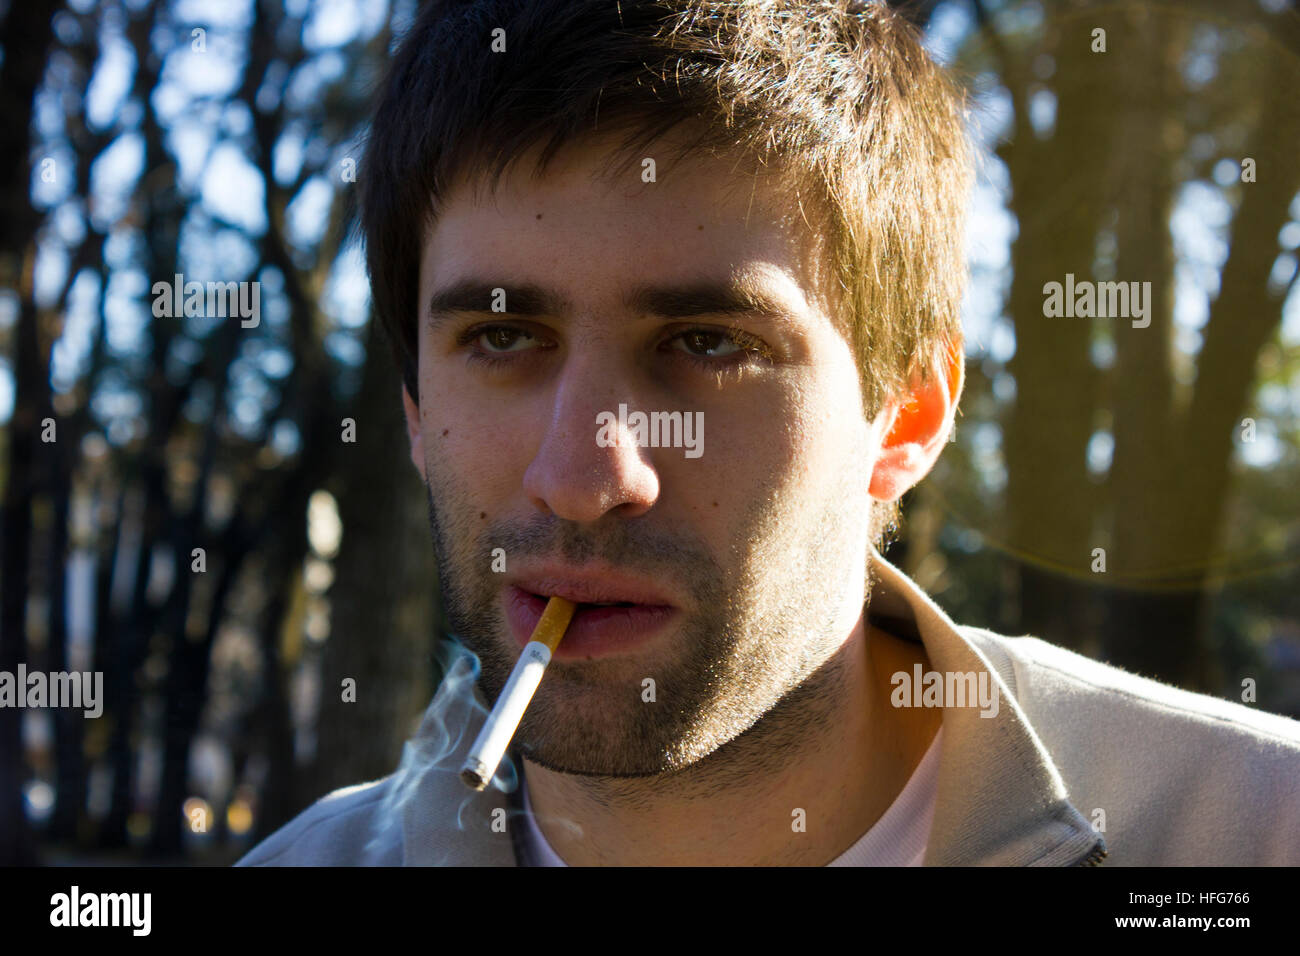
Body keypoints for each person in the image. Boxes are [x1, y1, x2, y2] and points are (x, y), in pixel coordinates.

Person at [237, 0, 1300, 867]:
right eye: (503, 333)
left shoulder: (1252, 830)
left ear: (910, 414)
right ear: (417, 411)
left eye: (704, 342)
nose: (582, 476)